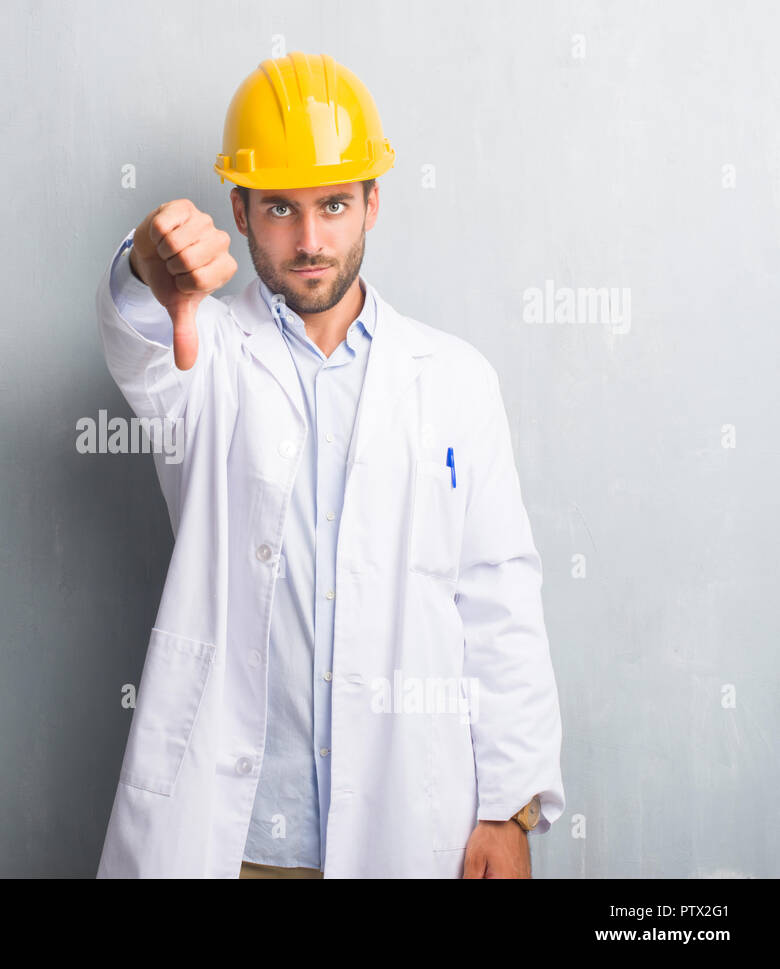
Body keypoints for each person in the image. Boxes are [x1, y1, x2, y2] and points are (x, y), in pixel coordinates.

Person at [94, 52, 564, 878]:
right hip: (234, 838)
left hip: (408, 823)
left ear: (372, 203)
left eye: (334, 205)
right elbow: (138, 334)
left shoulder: (455, 380)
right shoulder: (202, 354)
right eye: (279, 208)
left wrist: (509, 806)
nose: (310, 242)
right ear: (238, 211)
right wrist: (145, 265)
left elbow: (497, 595)